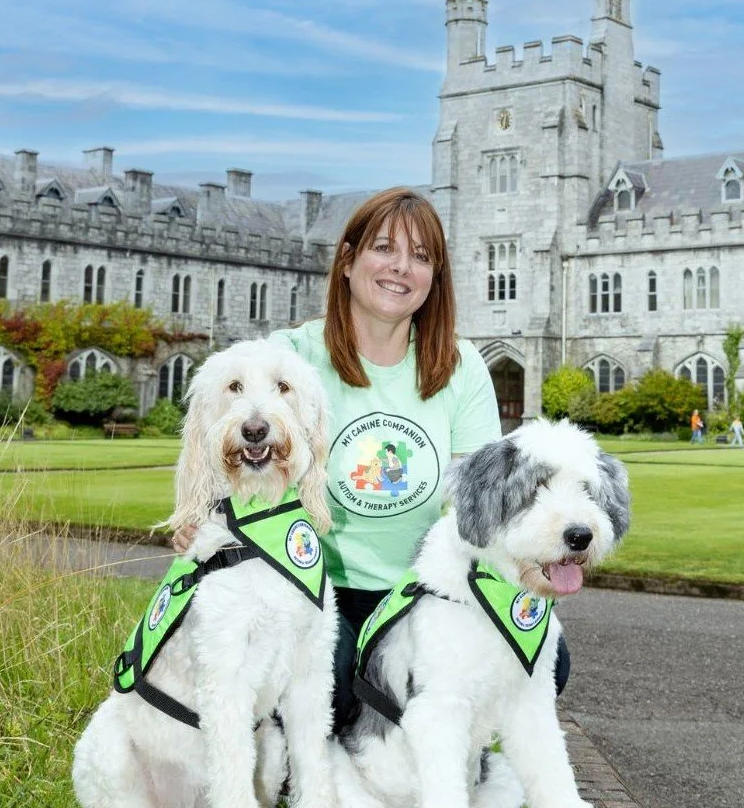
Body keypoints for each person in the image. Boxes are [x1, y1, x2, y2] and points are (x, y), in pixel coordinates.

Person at [176, 187, 570, 724]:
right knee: (334, 692)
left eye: (421, 257)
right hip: (315, 587)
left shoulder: (461, 366)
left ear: (436, 278)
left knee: (547, 655)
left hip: (419, 593)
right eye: (384, 249)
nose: (401, 268)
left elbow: (482, 499)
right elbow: (223, 431)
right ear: (347, 260)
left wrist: (528, 558)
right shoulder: (292, 357)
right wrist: (200, 517)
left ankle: (403, 737)